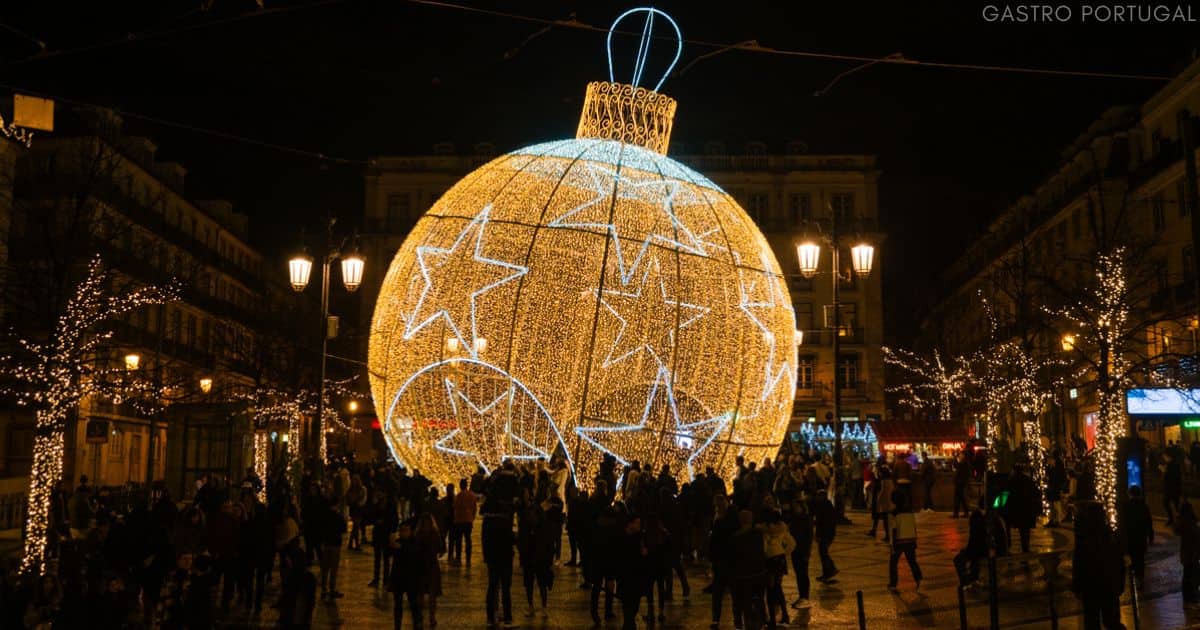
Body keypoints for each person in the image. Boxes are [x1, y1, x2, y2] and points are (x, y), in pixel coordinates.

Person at [1072, 501, 1126, 629]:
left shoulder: (1084, 537)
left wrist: (1077, 586)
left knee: (1092, 621)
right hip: (1109, 585)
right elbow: (1118, 562)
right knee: (1111, 620)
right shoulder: (1110, 535)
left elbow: (1079, 564)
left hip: (1091, 586)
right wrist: (1120, 583)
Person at [759, 500, 795, 627]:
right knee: (778, 587)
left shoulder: (764, 531)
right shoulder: (782, 529)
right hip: (779, 560)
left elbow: (763, 548)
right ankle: (784, 615)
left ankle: (772, 619)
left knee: (769, 589)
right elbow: (792, 544)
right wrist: (784, 552)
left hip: (769, 561)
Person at [730, 509, 767, 630]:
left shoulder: (736, 537)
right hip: (758, 573)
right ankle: (761, 621)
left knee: (743, 601)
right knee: (758, 599)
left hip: (743, 575)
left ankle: (741, 623)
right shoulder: (758, 535)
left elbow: (734, 556)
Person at [615, 514, 650, 630]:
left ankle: (629, 624)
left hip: (636, 576)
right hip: (626, 576)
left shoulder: (640, 536)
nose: (639, 525)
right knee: (628, 605)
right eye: (637, 523)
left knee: (634, 604)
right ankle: (629, 625)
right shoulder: (623, 537)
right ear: (630, 524)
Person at [709, 495, 739, 629]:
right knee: (734, 591)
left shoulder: (719, 521)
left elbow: (714, 542)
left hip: (723, 559)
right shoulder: (733, 518)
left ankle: (716, 619)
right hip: (730, 559)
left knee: (719, 591)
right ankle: (737, 620)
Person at [482, 511, 516, 626]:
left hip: (492, 559)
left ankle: (490, 618)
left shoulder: (487, 523)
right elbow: (511, 539)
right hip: (505, 559)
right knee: (505, 589)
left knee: (492, 587)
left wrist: (486, 557)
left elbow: (484, 541)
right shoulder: (504, 521)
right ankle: (507, 618)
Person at [390, 521, 425, 629]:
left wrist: (400, 548)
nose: (402, 533)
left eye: (405, 530)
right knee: (398, 605)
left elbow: (413, 553)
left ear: (410, 532)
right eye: (401, 530)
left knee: (414, 604)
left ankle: (417, 624)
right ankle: (397, 626)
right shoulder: (397, 543)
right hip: (399, 579)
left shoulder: (414, 543)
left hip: (411, 579)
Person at [887, 489, 922, 592]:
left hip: (898, 541)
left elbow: (893, 529)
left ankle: (893, 584)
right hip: (910, 541)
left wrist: (892, 544)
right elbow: (913, 526)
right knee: (912, 562)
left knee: (893, 563)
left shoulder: (893, 513)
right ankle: (918, 579)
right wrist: (915, 540)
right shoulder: (910, 512)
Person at [1120, 485, 1154, 588]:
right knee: (1140, 559)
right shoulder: (1144, 506)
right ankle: (1140, 579)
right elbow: (1149, 522)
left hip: (1130, 537)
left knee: (1131, 558)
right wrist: (1150, 536)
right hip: (1140, 537)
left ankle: (1131, 578)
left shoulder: (1126, 506)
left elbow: (1123, 523)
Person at [414, 512, 445, 626]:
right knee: (431, 595)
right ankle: (431, 618)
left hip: (422, 565)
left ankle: (422, 617)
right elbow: (440, 549)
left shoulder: (418, 535)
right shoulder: (434, 534)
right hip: (431, 566)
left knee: (422, 593)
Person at [787, 492, 814, 610]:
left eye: (795, 507)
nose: (794, 509)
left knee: (803, 574)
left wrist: (807, 553)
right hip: (795, 550)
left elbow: (808, 537)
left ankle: (805, 597)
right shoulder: (794, 519)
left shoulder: (805, 519)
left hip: (802, 550)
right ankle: (802, 596)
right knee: (799, 574)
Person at [1006, 463, 1039, 555]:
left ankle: (1008, 548)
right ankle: (1025, 548)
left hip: (1016, 509)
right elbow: (1036, 493)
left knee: (1010, 528)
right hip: (1027, 509)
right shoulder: (1028, 480)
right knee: (1025, 531)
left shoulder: (1011, 481)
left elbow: (1009, 495)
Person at [371, 493, 399, 587]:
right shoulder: (377, 505)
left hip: (386, 533)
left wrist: (391, 531)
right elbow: (371, 516)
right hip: (378, 533)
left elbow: (394, 520)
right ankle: (376, 578)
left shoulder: (391, 506)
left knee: (386, 558)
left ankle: (386, 579)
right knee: (377, 558)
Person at [812, 491, 839, 583]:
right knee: (823, 553)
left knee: (823, 553)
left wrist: (818, 535)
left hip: (825, 534)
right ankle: (829, 570)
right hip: (829, 533)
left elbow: (821, 523)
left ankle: (829, 571)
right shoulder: (828, 505)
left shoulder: (822, 506)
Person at [1178, 501, 1200, 605]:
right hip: (1192, 555)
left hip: (1188, 555)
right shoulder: (1190, 523)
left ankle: (1188, 600)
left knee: (1188, 577)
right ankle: (1191, 600)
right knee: (1191, 578)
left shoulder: (1183, 523)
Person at [452, 478, 478, 565]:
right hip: (468, 520)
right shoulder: (472, 495)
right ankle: (468, 559)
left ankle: (458, 558)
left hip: (459, 521)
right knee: (468, 540)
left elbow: (455, 507)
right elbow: (475, 509)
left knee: (458, 540)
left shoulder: (459, 496)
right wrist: (472, 518)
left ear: (460, 485)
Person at [1165, 452, 1184, 526]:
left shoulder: (1171, 465)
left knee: (1167, 502)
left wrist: (1165, 471)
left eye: (1166, 456)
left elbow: (1171, 477)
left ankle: (1174, 519)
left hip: (1171, 488)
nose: (1165, 458)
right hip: (1175, 488)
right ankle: (1177, 520)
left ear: (1170, 457)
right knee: (1175, 504)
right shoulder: (1175, 465)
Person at [953, 452, 972, 518]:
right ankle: (962, 513)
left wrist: (955, 458)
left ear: (963, 456)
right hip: (961, 482)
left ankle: (957, 513)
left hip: (960, 482)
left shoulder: (963, 463)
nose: (960, 456)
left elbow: (956, 465)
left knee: (958, 498)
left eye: (961, 455)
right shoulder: (965, 462)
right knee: (960, 498)